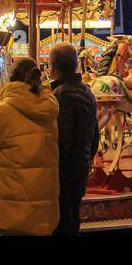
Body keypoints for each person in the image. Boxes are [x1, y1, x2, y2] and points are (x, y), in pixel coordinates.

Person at [0, 57, 60, 235]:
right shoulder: (48, 109)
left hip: (12, 206)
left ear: (11, 79)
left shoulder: (3, 111)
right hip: (44, 206)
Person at [49, 42, 98, 236]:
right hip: (80, 168)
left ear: (52, 67)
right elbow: (95, 135)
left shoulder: (60, 95)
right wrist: (86, 158)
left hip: (64, 173)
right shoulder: (87, 92)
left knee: (61, 221)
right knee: (73, 217)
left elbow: (62, 141)